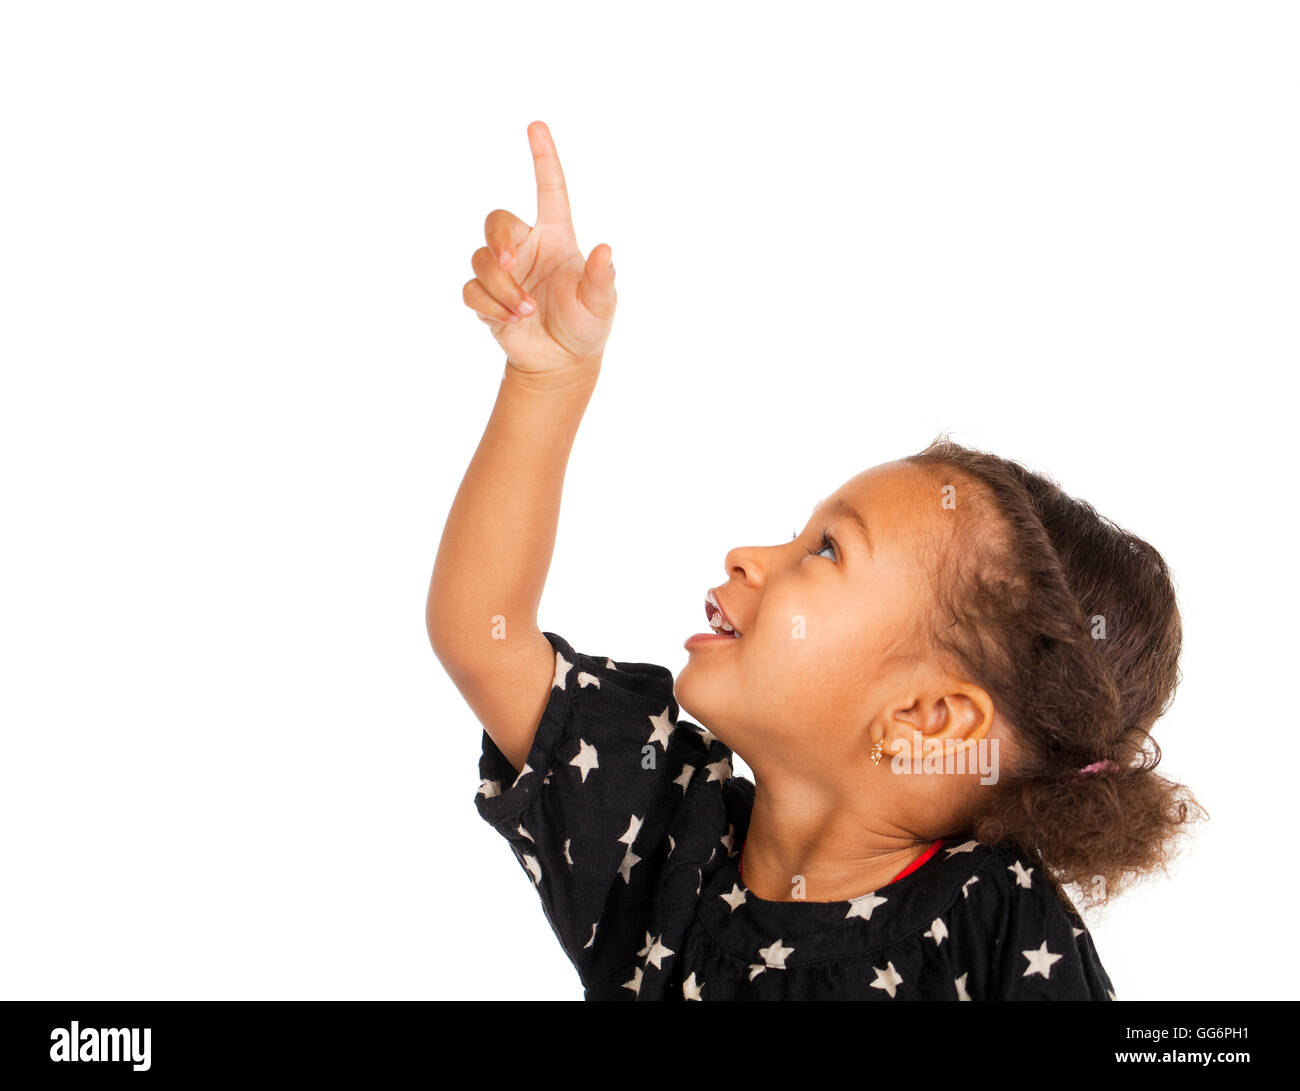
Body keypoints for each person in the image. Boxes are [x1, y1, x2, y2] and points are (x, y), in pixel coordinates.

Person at [426, 121, 1204, 1000]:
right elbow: (482, 635)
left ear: (928, 716)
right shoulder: (663, 837)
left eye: (825, 549)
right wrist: (548, 379)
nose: (749, 555)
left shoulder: (994, 926)